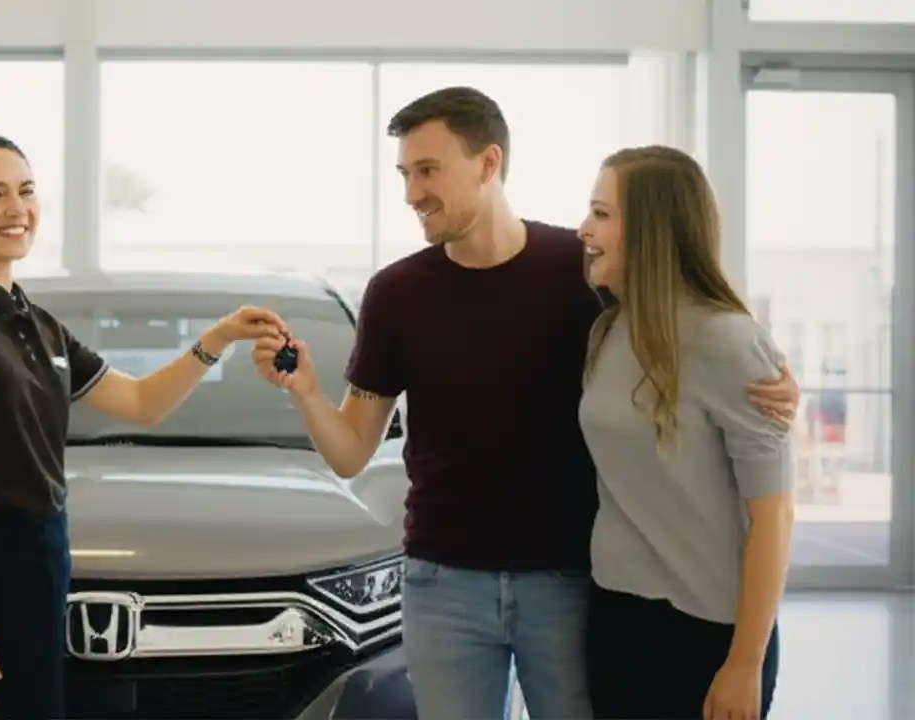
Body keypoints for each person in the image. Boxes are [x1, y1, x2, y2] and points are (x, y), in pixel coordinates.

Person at [251, 87, 799, 720]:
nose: (411, 193)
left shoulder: (585, 272)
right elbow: (350, 452)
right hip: (443, 584)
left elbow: (683, 320)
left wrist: (780, 381)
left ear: (488, 163)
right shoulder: (395, 294)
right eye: (404, 174)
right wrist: (307, 392)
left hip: (569, 583)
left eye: (428, 170)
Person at [0, 133, 288, 718]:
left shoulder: (39, 325)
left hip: (41, 562)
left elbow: (143, 402)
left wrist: (217, 338)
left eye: (26, 191)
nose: (17, 209)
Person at [577, 145, 793, 720]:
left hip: (712, 630)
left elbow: (774, 516)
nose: (584, 229)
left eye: (601, 213)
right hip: (617, 615)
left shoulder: (728, 341)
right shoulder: (608, 332)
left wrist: (745, 661)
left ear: (651, 227)